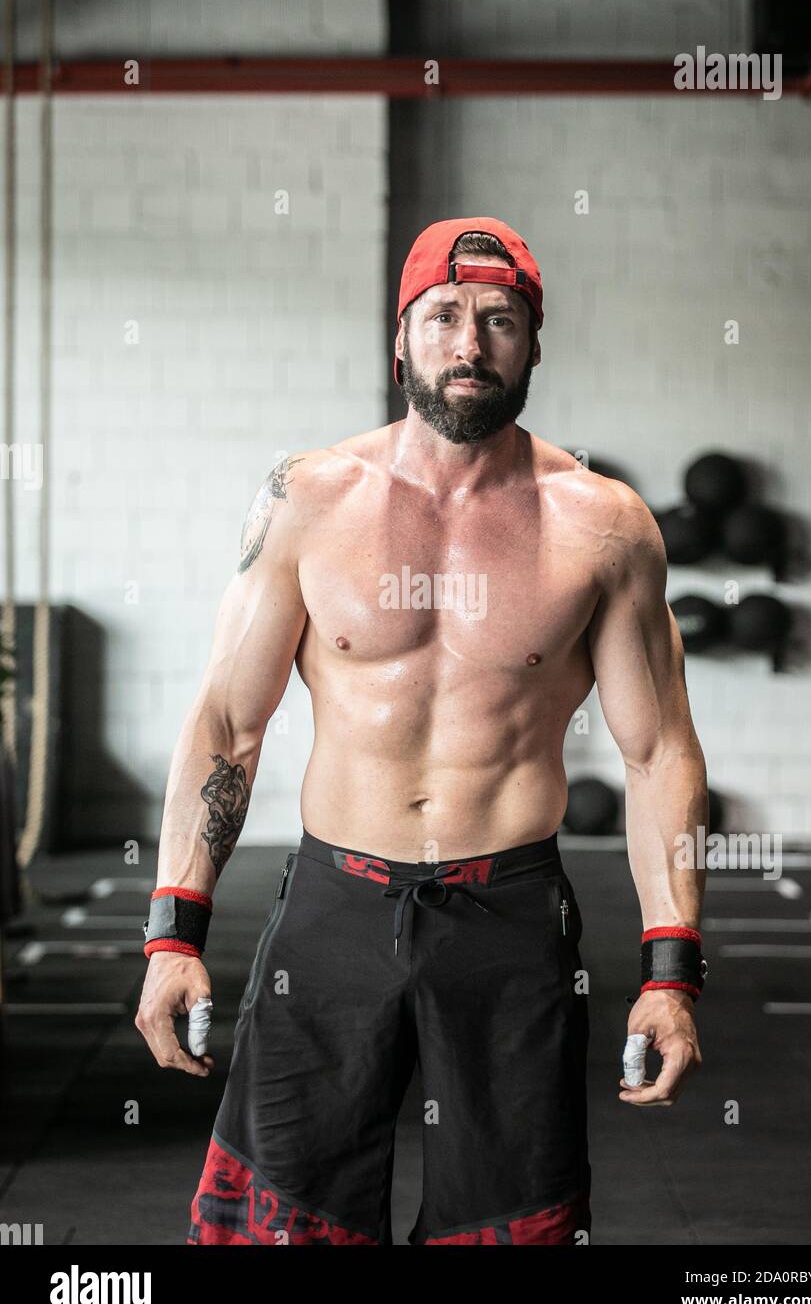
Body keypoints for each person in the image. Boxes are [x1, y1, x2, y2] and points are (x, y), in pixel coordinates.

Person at [135, 217, 707, 1246]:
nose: (469, 342)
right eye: (442, 315)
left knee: (510, 1228)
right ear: (398, 338)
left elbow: (657, 750)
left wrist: (671, 975)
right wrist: (173, 932)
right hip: (332, 913)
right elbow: (227, 723)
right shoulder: (307, 499)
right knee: (276, 1226)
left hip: (509, 921)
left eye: (500, 319)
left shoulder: (604, 526)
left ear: (534, 342)